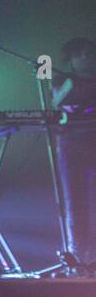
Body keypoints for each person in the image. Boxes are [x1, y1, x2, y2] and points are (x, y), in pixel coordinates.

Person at [54, 37, 96, 268]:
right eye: (82, 54)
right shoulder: (63, 80)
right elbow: (56, 104)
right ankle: (78, 260)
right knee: (76, 204)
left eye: (91, 53)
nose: (88, 58)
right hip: (72, 145)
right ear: (71, 59)